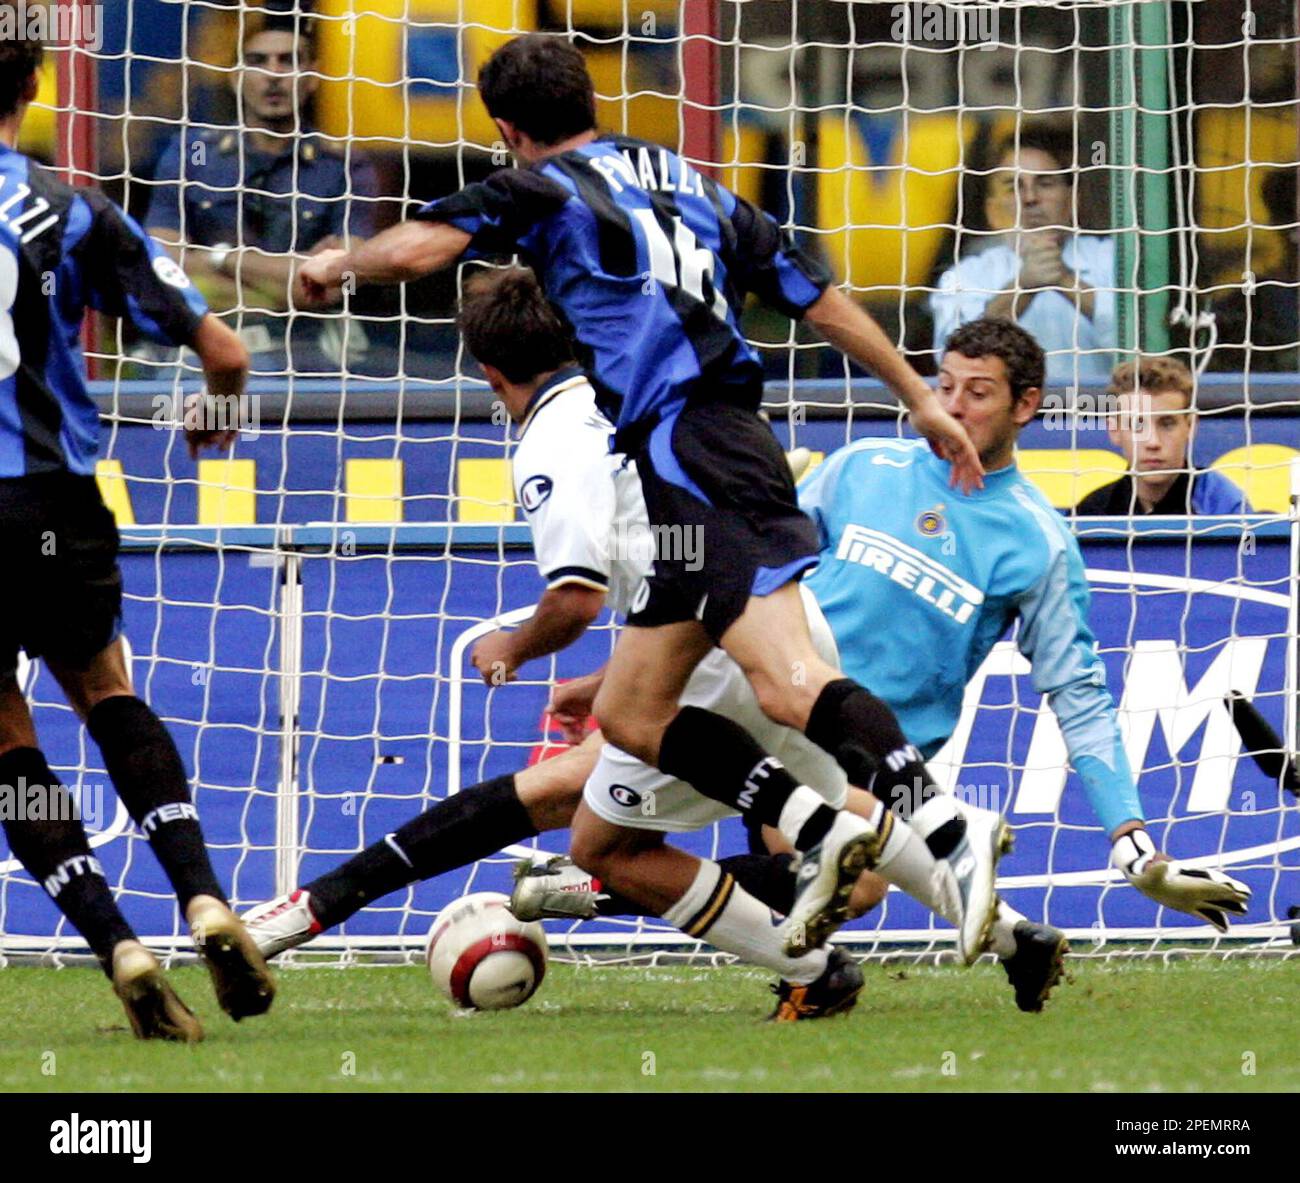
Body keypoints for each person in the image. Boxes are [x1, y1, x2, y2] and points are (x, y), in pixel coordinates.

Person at [294, 34, 993, 975]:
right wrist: (914, 392)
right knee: (632, 708)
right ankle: (827, 832)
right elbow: (816, 297)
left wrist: (336, 266)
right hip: (700, 458)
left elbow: (423, 248)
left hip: (690, 447)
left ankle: (944, 824)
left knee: (787, 680)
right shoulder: (686, 179)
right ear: (587, 96)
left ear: (506, 130)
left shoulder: (541, 188)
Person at [244, 270, 1043, 1020]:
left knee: (601, 842)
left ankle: (814, 969)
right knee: (831, 800)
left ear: (491, 376)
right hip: (771, 607)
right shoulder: (639, 383)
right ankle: (1012, 934)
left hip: (701, 646)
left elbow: (577, 595)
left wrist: (514, 646)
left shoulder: (551, 441)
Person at [0, 20, 274, 1042]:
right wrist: (212, 411)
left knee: (7, 740)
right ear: (34, 85)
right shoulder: (71, 210)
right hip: (55, 503)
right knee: (105, 686)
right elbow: (226, 349)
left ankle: (116, 940)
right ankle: (203, 897)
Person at [144, 12, 377, 375]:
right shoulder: (192, 153)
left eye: (289, 61)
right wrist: (290, 277)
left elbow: (335, 284)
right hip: (205, 345)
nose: (274, 75)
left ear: (312, 78)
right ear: (235, 78)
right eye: (258, 62)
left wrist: (218, 259)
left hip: (307, 351)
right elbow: (164, 269)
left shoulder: (344, 165)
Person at [931, 120, 1116, 388]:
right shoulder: (964, 276)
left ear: (1073, 200)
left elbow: (1147, 344)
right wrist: (1023, 287)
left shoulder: (1114, 258)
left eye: (1045, 184)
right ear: (992, 211)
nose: (1030, 198)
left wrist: (1065, 281)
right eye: (1013, 186)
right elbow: (956, 363)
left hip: (1105, 419)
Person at [1073, 355, 1253, 515]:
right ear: (1115, 431)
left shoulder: (1224, 507)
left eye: (1167, 424)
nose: (1153, 442)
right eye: (1138, 425)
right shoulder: (1091, 512)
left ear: (1190, 426)